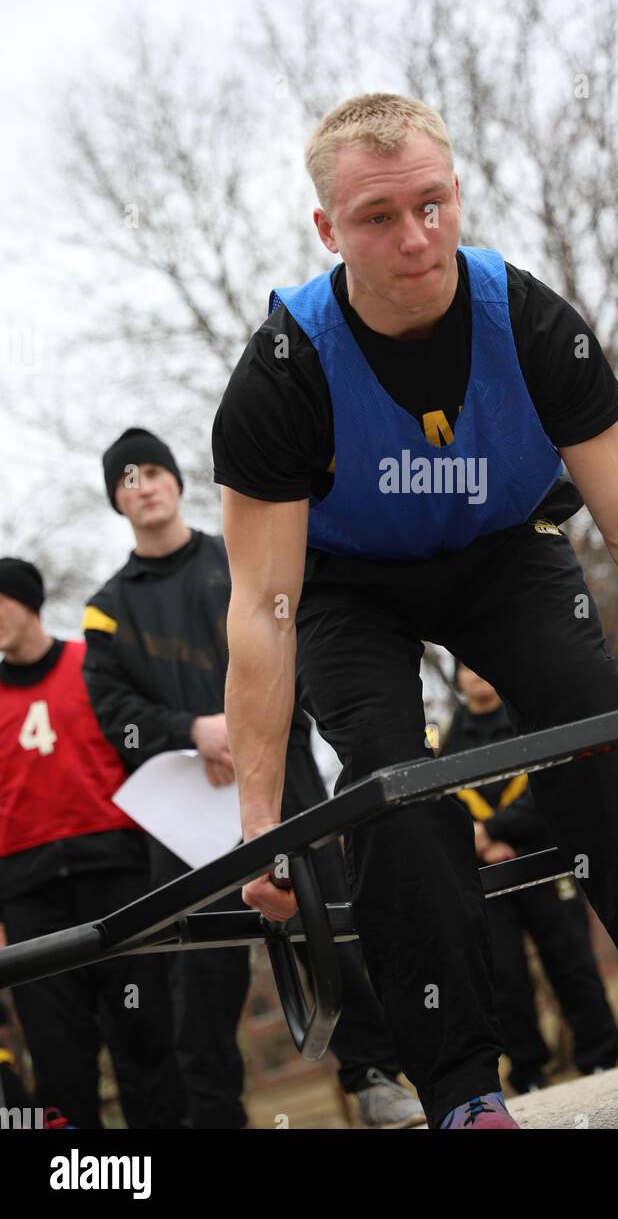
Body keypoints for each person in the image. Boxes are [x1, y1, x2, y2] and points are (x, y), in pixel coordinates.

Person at [212, 92, 618, 1130]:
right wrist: (258, 824)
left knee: (593, 717)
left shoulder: (528, 321)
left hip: (500, 549)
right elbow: (264, 605)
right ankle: (462, 1090)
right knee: (393, 782)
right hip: (347, 585)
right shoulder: (283, 371)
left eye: (432, 204)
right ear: (326, 230)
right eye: (378, 218)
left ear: (456, 189)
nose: (415, 238)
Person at [82, 429, 423, 1129]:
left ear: (177, 481)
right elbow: (112, 712)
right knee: (200, 980)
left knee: (327, 929)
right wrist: (192, 730)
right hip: (185, 818)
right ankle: (215, 1120)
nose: (142, 485)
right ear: (118, 500)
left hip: (285, 785)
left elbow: (296, 644)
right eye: (126, 479)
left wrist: (252, 730)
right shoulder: (106, 609)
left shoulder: (238, 559)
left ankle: (374, 1080)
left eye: (152, 471)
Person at [0, 557, 185, 1129]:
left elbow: (147, 755)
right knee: (59, 1053)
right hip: (29, 898)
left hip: (118, 879)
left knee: (144, 1032)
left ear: (27, 603)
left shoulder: (91, 667)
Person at [440, 661, 618, 1092]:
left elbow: (552, 788)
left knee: (572, 962)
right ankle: (528, 1072)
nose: (476, 674)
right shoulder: (445, 741)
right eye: (465, 668)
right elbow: (442, 803)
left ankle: (599, 1060)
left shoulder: (528, 719)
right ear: (457, 678)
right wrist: (480, 842)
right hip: (485, 875)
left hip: (542, 861)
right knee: (504, 977)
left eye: (479, 664)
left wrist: (496, 831)